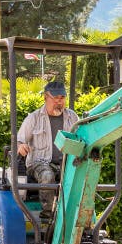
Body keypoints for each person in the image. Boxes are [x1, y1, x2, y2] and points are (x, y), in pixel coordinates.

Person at [17, 81, 78, 222]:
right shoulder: (34, 118)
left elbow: (81, 139)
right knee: (47, 175)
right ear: (46, 97)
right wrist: (21, 146)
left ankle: (77, 216)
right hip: (39, 163)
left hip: (65, 163)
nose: (59, 102)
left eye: (62, 98)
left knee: (84, 174)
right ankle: (49, 214)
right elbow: (19, 141)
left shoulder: (72, 117)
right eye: (55, 98)